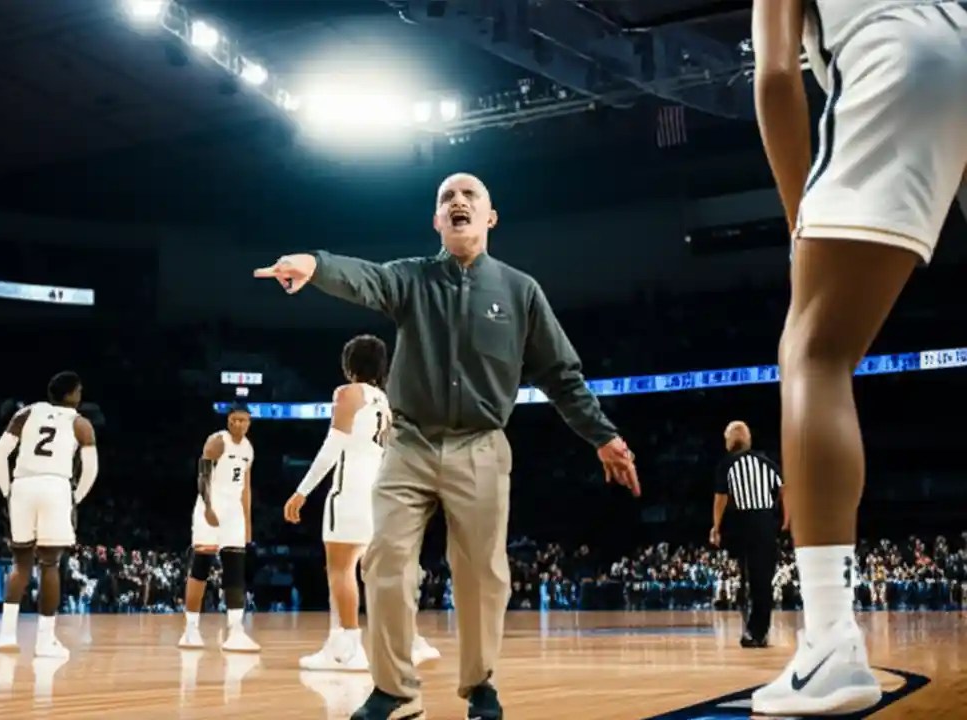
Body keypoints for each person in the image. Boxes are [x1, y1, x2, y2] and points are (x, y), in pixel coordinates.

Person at [255, 173, 640, 720]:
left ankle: (480, 685)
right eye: (446, 198)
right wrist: (314, 264)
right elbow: (365, 278)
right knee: (385, 561)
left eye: (469, 195)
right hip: (409, 444)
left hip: (481, 445)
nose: (458, 201)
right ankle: (395, 691)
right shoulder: (411, 278)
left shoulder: (520, 291)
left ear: (490, 217)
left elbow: (561, 375)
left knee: (483, 573)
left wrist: (603, 435)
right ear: (437, 221)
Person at [751, 0, 966, 715]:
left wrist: (800, 223)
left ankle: (830, 648)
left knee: (812, 349)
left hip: (900, 54)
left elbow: (775, 77)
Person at [284, 334, 439, 672]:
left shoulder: (348, 393)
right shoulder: (385, 402)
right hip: (378, 492)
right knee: (377, 574)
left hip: (349, 491)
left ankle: (349, 649)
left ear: (349, 364)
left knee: (341, 570)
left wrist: (302, 491)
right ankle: (408, 640)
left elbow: (332, 446)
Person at [0, 371, 98, 659]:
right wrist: (75, 498)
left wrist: (7, 491)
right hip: (55, 486)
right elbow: (91, 470)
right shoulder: (80, 423)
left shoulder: (27, 413)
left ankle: (6, 635)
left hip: (22, 485)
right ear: (71, 393)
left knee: (20, 563)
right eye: (79, 390)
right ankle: (45, 641)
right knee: (50, 564)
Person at [178, 405, 259, 652]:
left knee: (235, 568)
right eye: (235, 419)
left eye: (243, 420)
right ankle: (191, 628)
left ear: (249, 422)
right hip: (211, 506)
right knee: (201, 566)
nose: (239, 424)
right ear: (228, 421)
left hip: (234, 511)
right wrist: (208, 507)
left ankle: (236, 630)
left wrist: (247, 522)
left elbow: (246, 488)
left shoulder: (248, 449)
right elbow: (202, 477)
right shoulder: (216, 442)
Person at [710, 421, 786, 649]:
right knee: (761, 578)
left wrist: (716, 527)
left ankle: (754, 630)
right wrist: (786, 519)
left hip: (742, 521)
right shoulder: (768, 462)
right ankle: (757, 630)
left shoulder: (727, 464)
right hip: (766, 521)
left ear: (730, 441)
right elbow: (784, 490)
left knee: (751, 577)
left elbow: (721, 498)